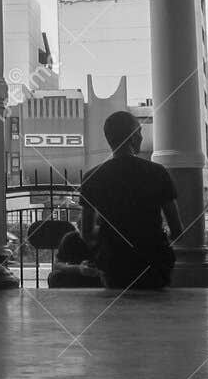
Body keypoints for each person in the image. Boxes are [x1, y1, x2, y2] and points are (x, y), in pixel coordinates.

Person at [78, 110, 182, 290]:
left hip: (113, 264)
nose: (142, 137)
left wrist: (106, 237)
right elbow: (177, 230)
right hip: (154, 262)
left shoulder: (92, 177)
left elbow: (86, 233)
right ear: (134, 137)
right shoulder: (157, 173)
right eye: (140, 133)